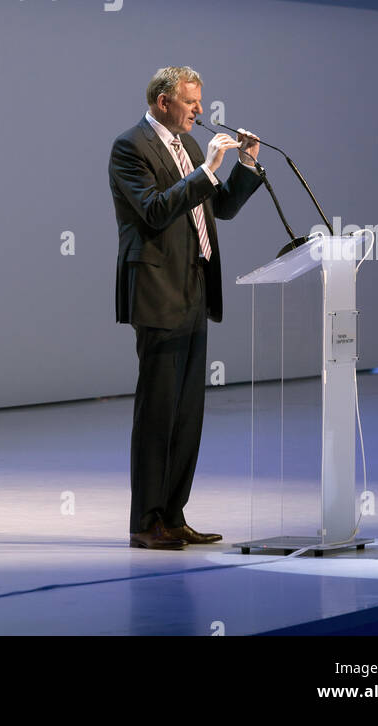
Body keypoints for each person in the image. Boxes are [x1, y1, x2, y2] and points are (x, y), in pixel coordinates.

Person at [108, 66, 263, 549]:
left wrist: (245, 168)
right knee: (158, 410)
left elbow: (220, 208)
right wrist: (206, 171)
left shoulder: (192, 146)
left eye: (199, 101)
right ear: (162, 102)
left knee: (187, 412)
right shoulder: (130, 147)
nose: (200, 110)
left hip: (195, 285)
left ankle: (173, 516)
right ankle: (145, 522)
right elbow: (154, 210)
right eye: (191, 102)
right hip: (158, 289)